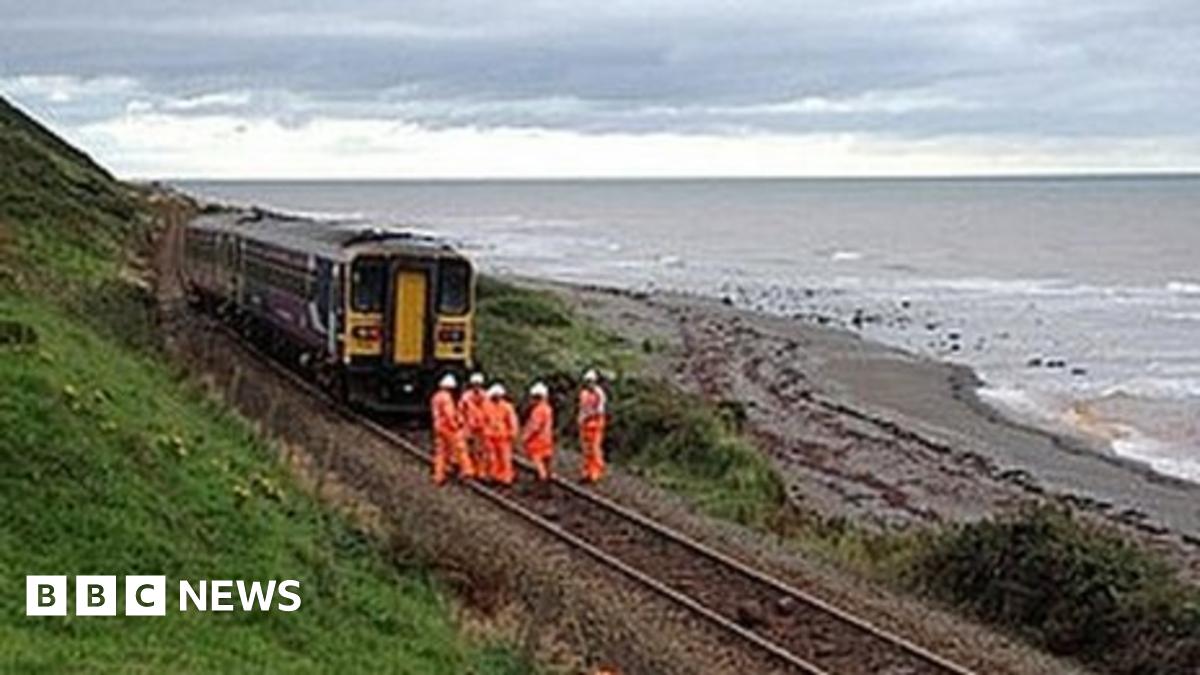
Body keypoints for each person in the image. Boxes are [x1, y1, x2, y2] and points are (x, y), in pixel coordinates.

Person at [430, 374, 474, 485]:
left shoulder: (436, 397)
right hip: (448, 428)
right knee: (460, 448)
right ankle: (467, 471)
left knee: (441, 452)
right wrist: (456, 425)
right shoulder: (446, 398)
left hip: (438, 427)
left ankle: (438, 475)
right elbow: (449, 414)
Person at [483, 383, 518, 485]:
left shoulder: (507, 407)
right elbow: (483, 420)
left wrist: (512, 433)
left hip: (503, 436)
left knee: (505, 458)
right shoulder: (487, 405)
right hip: (490, 435)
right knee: (492, 457)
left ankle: (506, 478)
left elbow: (512, 421)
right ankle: (495, 476)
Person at [577, 368, 607, 483]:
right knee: (586, 449)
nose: (589, 384)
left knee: (594, 448)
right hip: (585, 424)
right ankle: (587, 471)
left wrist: (588, 416)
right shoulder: (584, 394)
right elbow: (582, 408)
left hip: (595, 424)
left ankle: (595, 472)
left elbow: (599, 410)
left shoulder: (599, 394)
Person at [521, 382, 555, 481]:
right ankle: (547, 477)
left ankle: (542, 480)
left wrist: (525, 437)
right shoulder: (548, 408)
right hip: (547, 439)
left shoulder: (538, 411)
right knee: (546, 461)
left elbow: (534, 427)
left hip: (538, 441)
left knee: (538, 462)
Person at [459, 372, 489, 477]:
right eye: (475, 384)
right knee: (467, 449)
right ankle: (469, 470)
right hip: (469, 427)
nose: (477, 386)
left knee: (481, 451)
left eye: (478, 384)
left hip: (482, 428)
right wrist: (461, 422)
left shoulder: (486, 397)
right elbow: (461, 411)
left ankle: (481, 472)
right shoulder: (466, 397)